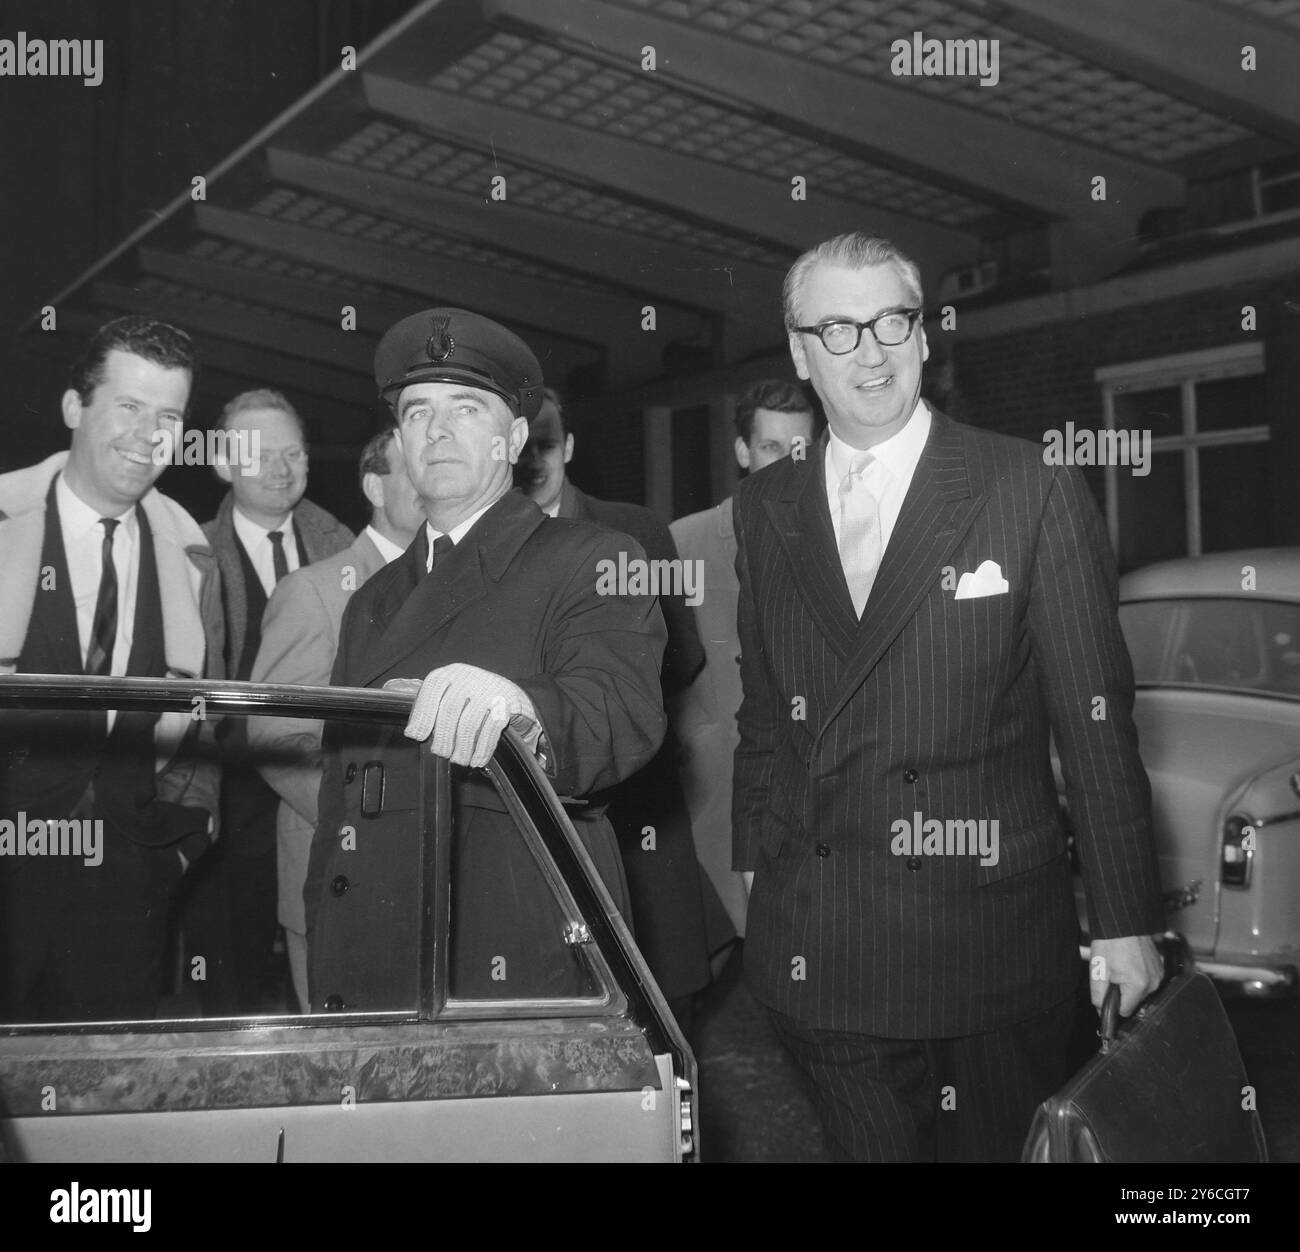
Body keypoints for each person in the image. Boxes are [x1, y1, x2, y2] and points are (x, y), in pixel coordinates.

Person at [732, 232, 1165, 1162]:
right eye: (839, 331)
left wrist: (1126, 922)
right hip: (820, 949)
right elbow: (765, 715)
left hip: (985, 949)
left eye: (893, 320)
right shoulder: (766, 507)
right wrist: (754, 873)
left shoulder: (1027, 486)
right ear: (802, 355)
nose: (872, 351)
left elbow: (1095, 722)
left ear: (925, 338)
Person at [305, 308, 667, 1011]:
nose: (436, 431)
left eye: (465, 408)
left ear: (515, 438)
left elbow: (618, 715)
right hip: (370, 953)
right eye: (416, 413)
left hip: (503, 950)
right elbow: (337, 801)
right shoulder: (371, 600)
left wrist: (519, 710)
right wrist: (326, 941)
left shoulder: (591, 558)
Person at [0, 315, 222, 1022]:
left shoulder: (189, 553)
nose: (147, 433)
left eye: (168, 416)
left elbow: (206, 719)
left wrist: (178, 848)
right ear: (75, 407)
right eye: (127, 406)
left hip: (126, 895)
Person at [516, 389, 715, 1024]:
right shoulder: (483, 547)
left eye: (547, 446)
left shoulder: (637, 531)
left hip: (637, 811)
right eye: (523, 448)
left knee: (664, 1014)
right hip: (525, 822)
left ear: (569, 448)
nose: (535, 461)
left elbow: (684, 655)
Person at [184, 389, 354, 1014]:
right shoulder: (193, 555)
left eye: (294, 453)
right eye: (259, 454)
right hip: (228, 805)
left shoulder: (345, 545)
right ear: (222, 465)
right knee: (232, 982)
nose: (281, 469)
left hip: (311, 798)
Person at [247, 428, 425, 1012]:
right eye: (414, 468)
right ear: (375, 485)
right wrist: (367, 820)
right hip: (341, 873)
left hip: (439, 879)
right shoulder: (314, 591)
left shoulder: (463, 586)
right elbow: (274, 735)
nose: (435, 479)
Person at [669, 379, 816, 952]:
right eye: (772, 448)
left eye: (801, 449)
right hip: (714, 814)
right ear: (743, 453)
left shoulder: (845, 545)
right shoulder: (684, 545)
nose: (788, 464)